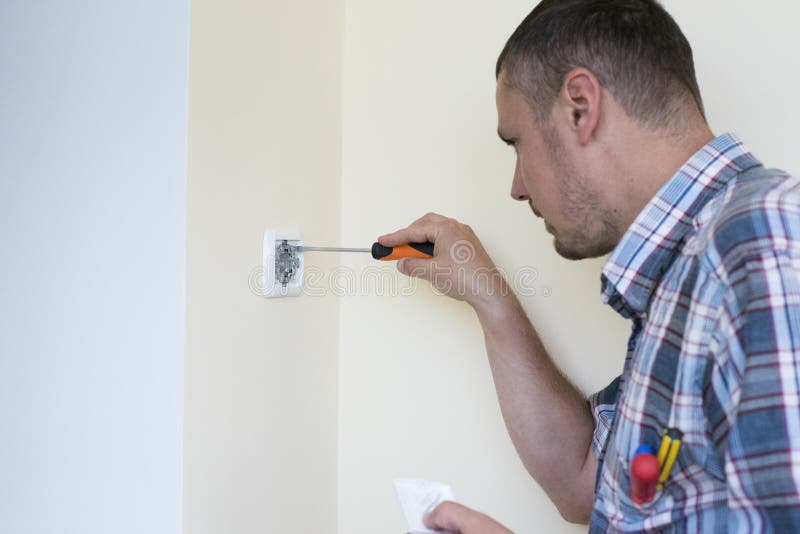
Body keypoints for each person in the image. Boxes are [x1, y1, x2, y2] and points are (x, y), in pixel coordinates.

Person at [380, 0, 800, 532]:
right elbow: (589, 481)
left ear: (580, 106)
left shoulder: (763, 249)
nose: (517, 187)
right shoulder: (690, 271)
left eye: (517, 143)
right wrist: (489, 296)